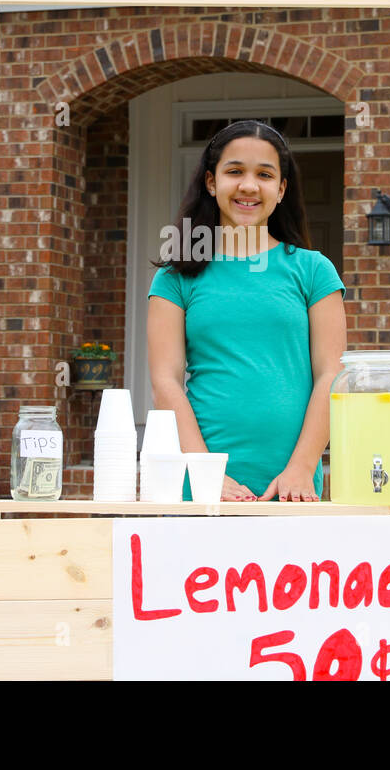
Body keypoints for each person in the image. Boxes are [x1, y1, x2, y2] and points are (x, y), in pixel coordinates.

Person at [147, 120, 346, 502]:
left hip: (293, 486)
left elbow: (331, 375)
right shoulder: (176, 278)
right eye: (234, 171)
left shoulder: (313, 270)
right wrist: (205, 474)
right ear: (211, 182)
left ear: (281, 189)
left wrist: (303, 467)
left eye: (265, 174)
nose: (249, 185)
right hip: (201, 484)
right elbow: (165, 382)